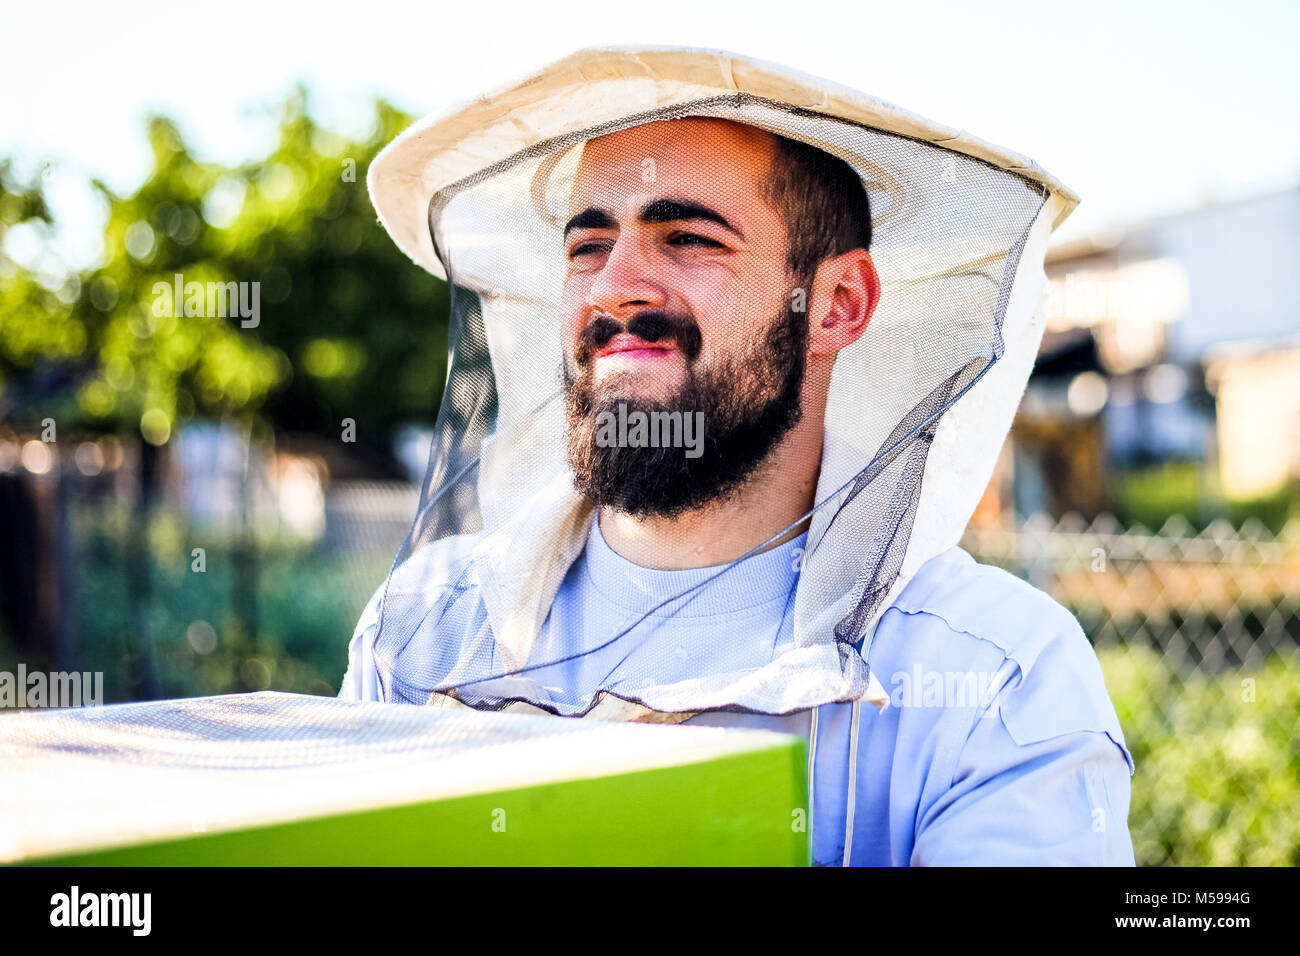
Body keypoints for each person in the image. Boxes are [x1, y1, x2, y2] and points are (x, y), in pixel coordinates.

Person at [341, 47, 1135, 865]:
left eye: (687, 237)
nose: (615, 287)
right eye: (587, 246)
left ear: (836, 305)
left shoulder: (990, 681)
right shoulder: (422, 633)